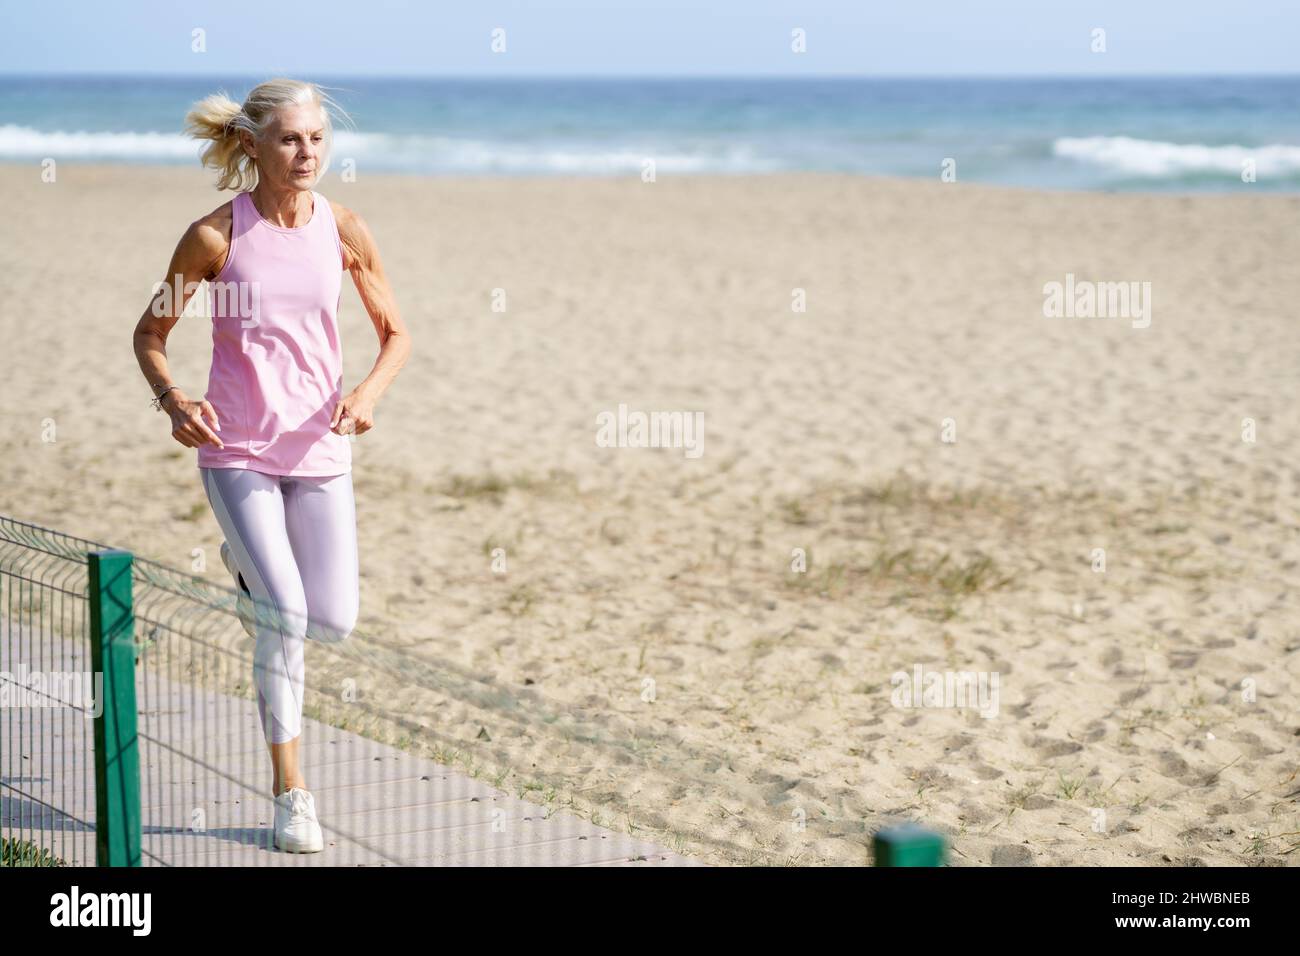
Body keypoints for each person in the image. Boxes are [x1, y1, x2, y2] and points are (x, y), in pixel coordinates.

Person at [131, 77, 411, 853]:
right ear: (253, 146)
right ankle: (293, 794)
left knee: (335, 622)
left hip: (321, 448)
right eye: (290, 139)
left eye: (317, 139)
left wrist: (367, 394)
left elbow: (398, 335)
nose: (307, 153)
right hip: (238, 450)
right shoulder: (216, 237)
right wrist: (175, 401)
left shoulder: (345, 227)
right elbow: (149, 336)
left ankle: (247, 569)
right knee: (284, 620)